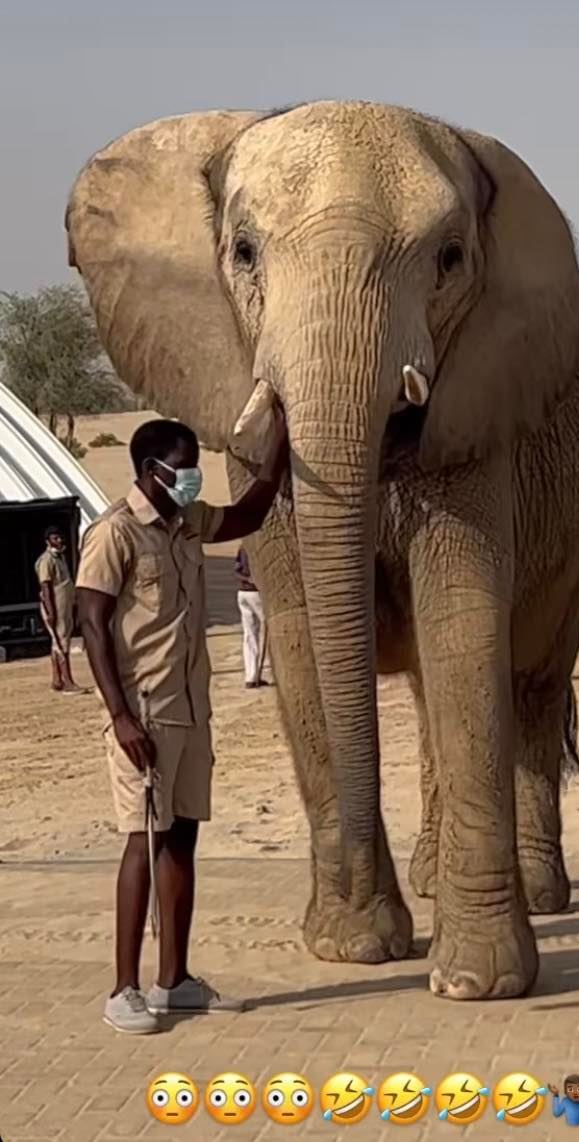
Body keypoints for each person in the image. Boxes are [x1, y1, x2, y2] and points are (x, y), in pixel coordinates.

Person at [76, 411, 287, 1034]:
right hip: (142, 713)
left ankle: (176, 981)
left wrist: (278, 452)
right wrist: (119, 715)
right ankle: (123, 989)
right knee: (143, 838)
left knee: (183, 835)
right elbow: (91, 624)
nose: (192, 478)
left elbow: (245, 516)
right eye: (184, 467)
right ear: (151, 470)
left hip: (192, 708)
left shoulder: (186, 522)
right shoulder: (115, 535)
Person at [35, 526, 80, 692]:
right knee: (62, 643)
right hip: (56, 607)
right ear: (48, 541)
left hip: (65, 605)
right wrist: (51, 610)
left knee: (58, 642)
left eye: (59, 537)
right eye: (55, 538)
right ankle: (67, 680)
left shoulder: (60, 558)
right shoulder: (46, 560)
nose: (59, 541)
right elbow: (46, 586)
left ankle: (57, 680)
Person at [235, 545, 267, 688]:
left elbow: (236, 571)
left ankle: (251, 676)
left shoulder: (244, 547)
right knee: (267, 630)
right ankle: (259, 672)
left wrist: (246, 579)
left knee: (249, 634)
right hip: (256, 593)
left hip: (242, 593)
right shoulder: (260, 547)